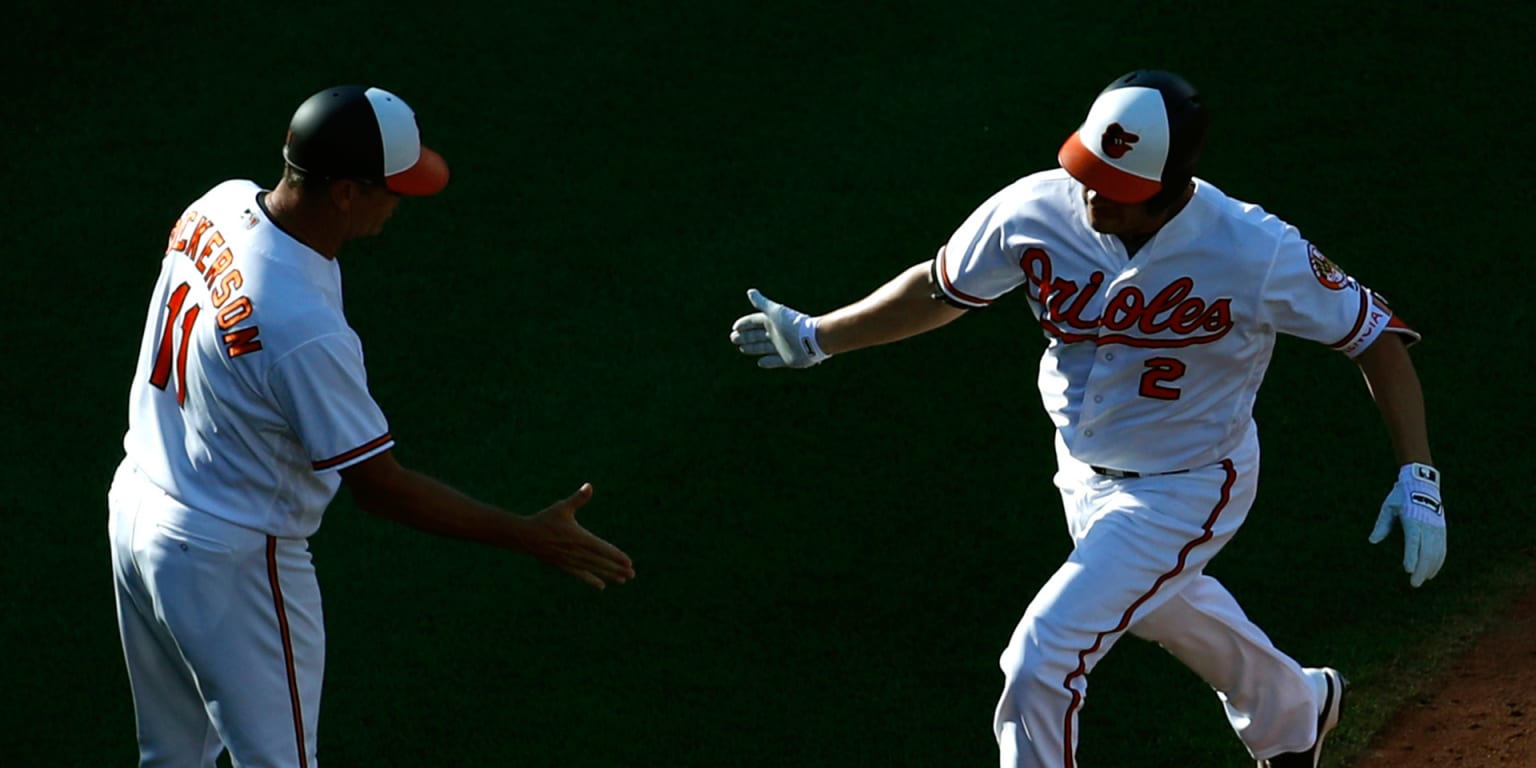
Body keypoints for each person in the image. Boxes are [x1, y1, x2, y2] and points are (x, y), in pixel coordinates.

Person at [729, 69, 1446, 768]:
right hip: (1080, 472)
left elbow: (1374, 336)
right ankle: (1293, 708)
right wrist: (822, 336)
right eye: (1086, 171)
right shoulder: (1037, 208)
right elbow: (940, 287)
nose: (1089, 194)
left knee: (1042, 654)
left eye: (1115, 190)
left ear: (1169, 194)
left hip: (1188, 486)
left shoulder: (1253, 249)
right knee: (1157, 600)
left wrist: (1417, 474)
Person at [109, 85, 636, 767]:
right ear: (346, 193)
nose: (402, 202)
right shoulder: (302, 326)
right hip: (230, 555)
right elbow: (378, 487)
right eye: (392, 188)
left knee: (170, 757)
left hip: (137, 507)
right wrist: (528, 535)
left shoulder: (215, 204)